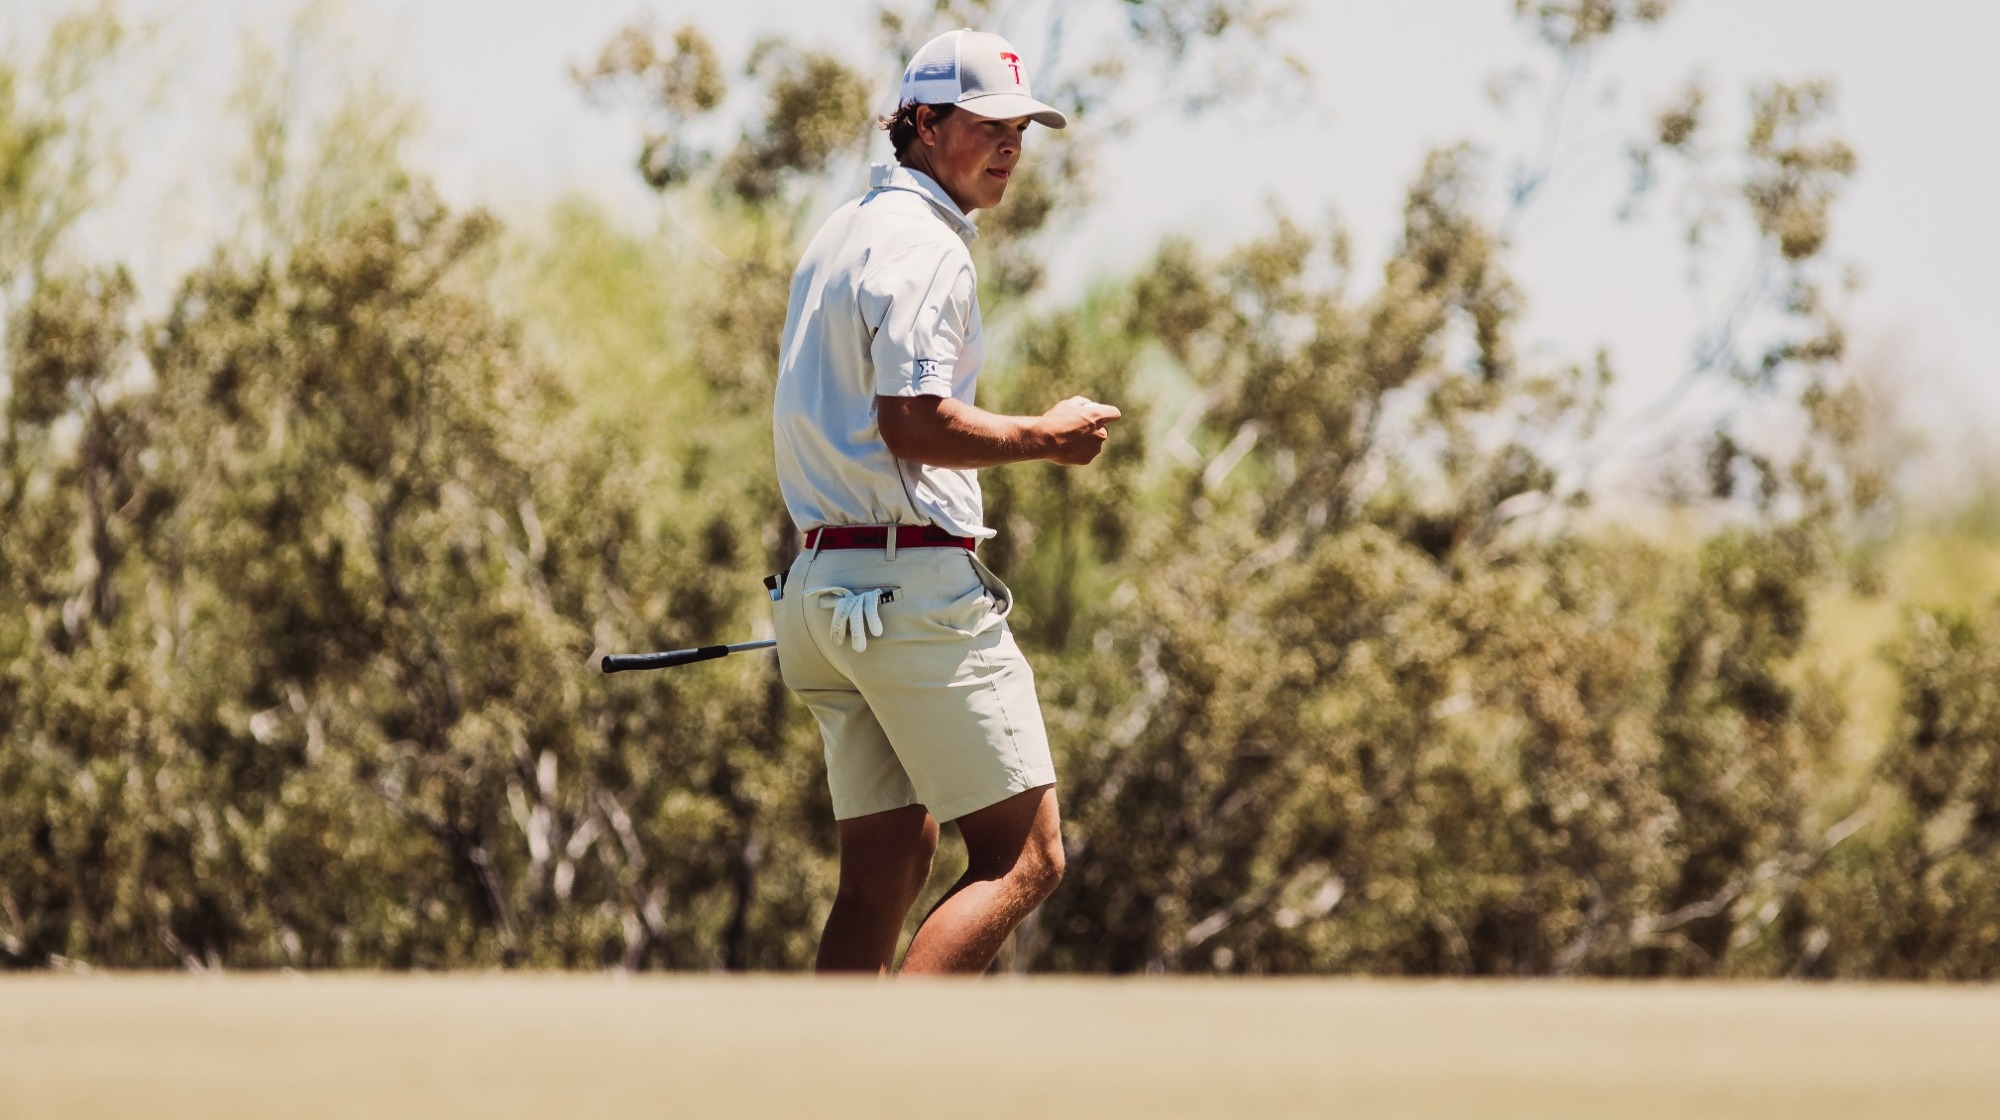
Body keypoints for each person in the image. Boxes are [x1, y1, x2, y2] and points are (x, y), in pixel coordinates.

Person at [770, 28, 1121, 975]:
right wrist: (1044, 437)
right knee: (1026, 858)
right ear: (922, 124)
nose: (1010, 146)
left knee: (888, 863)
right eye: (986, 125)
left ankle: (822, 1088)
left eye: (1021, 128)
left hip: (821, 594)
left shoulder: (839, 231)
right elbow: (912, 423)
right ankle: (890, 1082)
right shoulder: (928, 246)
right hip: (905, 592)